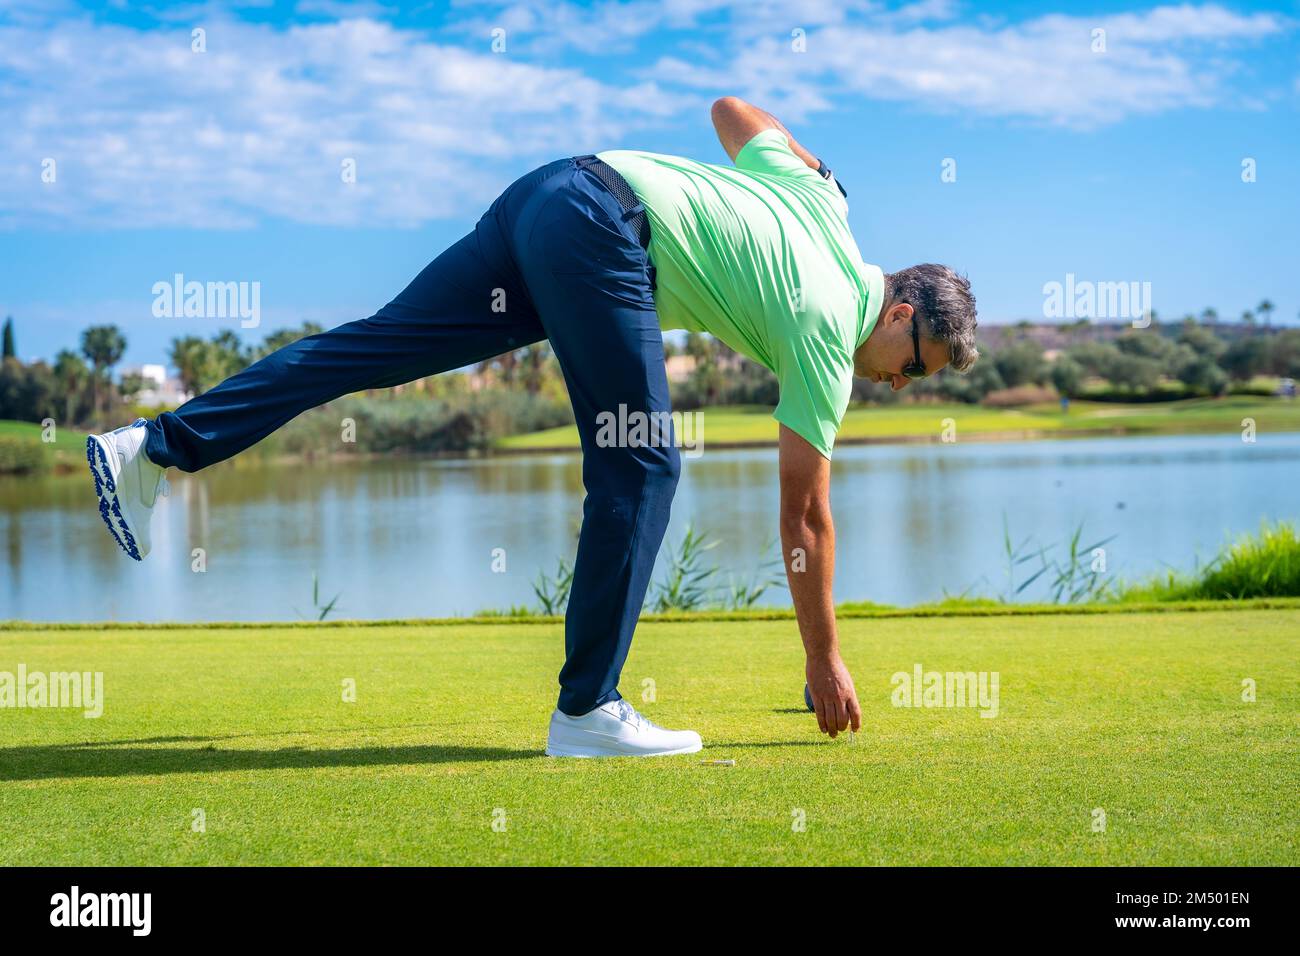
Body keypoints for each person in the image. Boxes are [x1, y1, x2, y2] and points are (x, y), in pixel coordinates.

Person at [87, 97, 979, 758]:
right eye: (914, 365)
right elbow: (807, 521)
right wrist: (824, 660)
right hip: (601, 232)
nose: (900, 382)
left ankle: (155, 446)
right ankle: (587, 711)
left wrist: (817, 167)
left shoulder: (825, 204)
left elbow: (734, 112)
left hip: (550, 192)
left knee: (374, 348)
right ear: (899, 311)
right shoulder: (830, 329)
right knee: (644, 465)